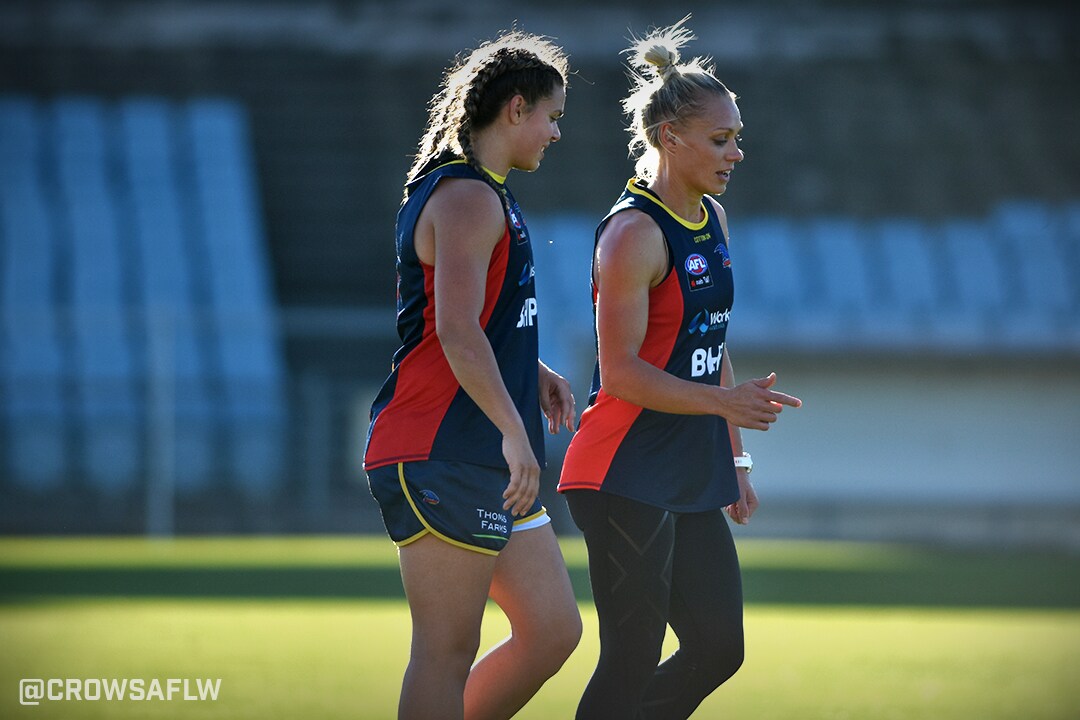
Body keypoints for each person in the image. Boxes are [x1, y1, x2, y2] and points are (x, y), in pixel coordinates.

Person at [558, 17, 802, 719]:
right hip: (623, 466)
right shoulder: (633, 233)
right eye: (721, 139)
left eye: (737, 137)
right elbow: (621, 374)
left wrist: (736, 458)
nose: (737, 153)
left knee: (719, 648)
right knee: (630, 658)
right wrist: (726, 406)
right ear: (670, 137)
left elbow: (709, 344)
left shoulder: (712, 219)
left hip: (690, 463)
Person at [363, 31, 581, 720]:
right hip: (442, 446)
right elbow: (455, 331)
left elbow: (465, 320)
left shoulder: (486, 194)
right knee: (447, 649)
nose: (556, 133)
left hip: (477, 448)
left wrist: (529, 368)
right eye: (551, 116)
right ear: (515, 109)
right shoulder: (466, 196)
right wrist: (517, 431)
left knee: (552, 628)